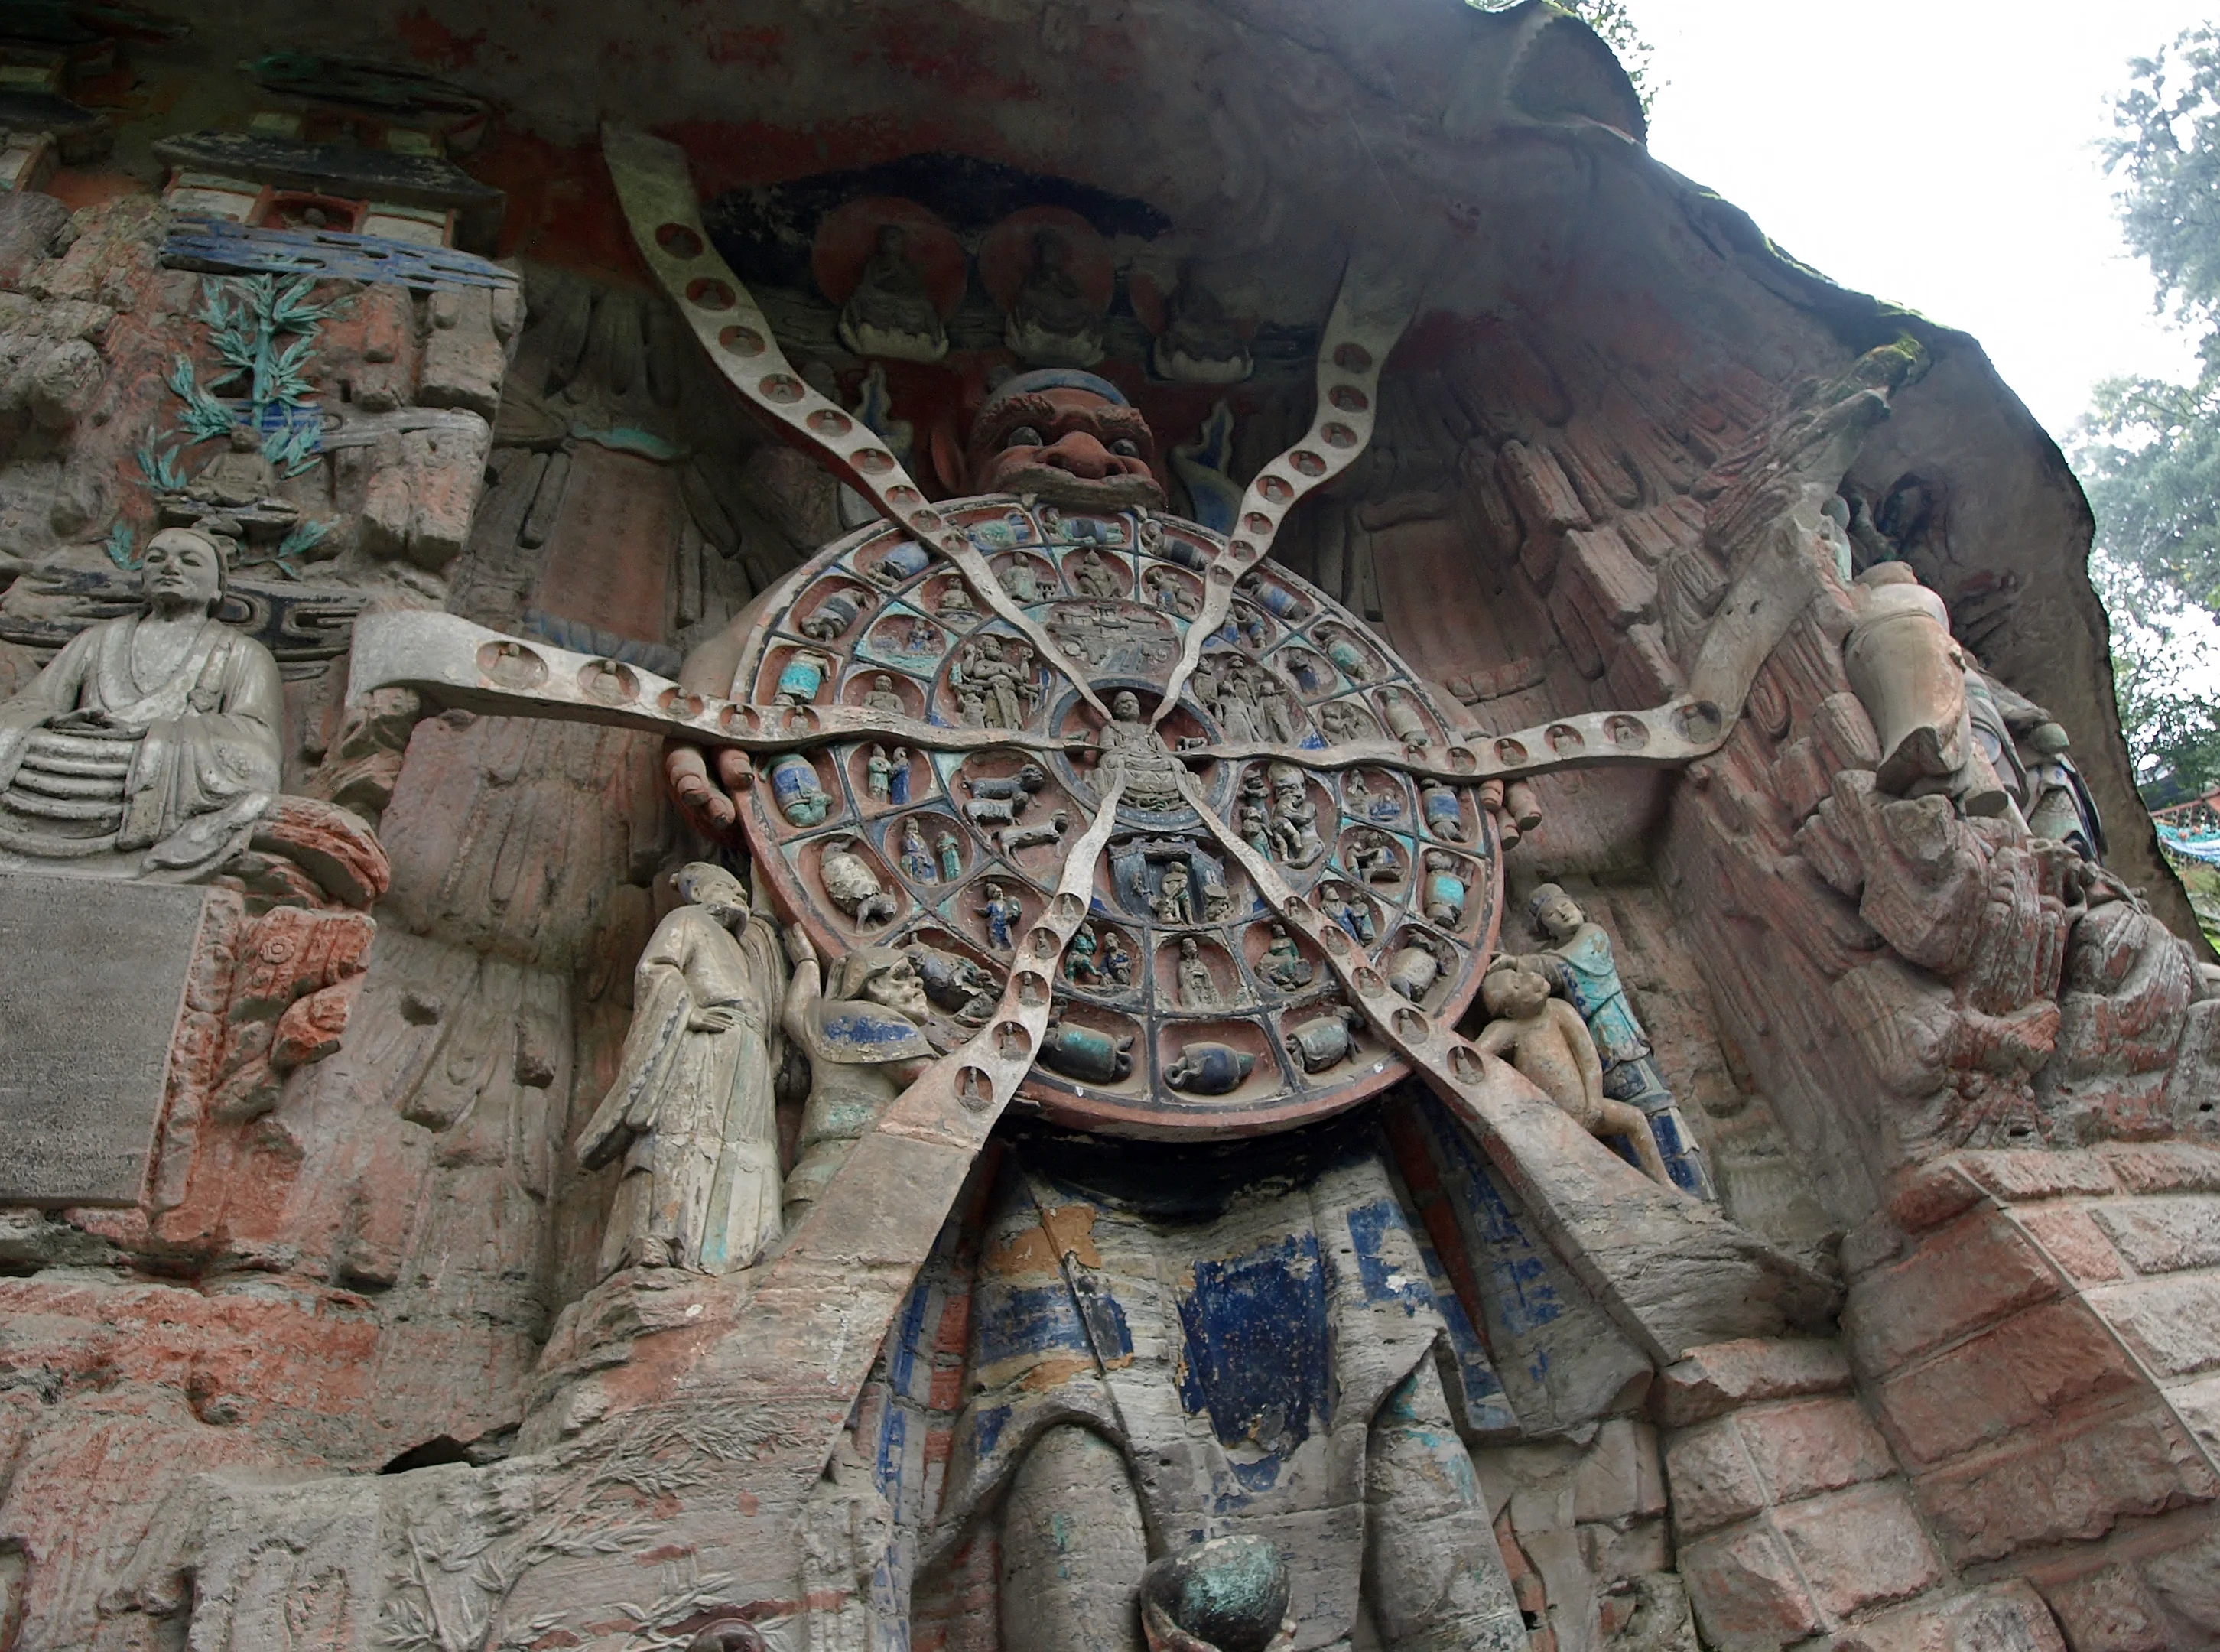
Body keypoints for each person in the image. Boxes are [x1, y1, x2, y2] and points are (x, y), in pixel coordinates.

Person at [0, 526, 283, 880]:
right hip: (78, 752)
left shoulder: (241, 653)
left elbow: (258, 742)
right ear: (143, 579)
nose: (170, 567)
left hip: (156, 764)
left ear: (216, 589)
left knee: (248, 763)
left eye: (189, 561)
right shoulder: (98, 639)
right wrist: (64, 723)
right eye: (156, 559)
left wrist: (153, 735)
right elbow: (30, 704)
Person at [575, 862, 788, 1276]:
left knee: (748, 1142)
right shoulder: (686, 920)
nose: (738, 896)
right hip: (700, 1037)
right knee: (682, 1131)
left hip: (746, 1044)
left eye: (739, 890)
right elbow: (657, 969)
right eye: (728, 888)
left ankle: (744, 1241)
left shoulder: (742, 947)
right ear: (700, 893)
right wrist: (688, 1011)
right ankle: (662, 1236)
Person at [1472, 959, 1671, 1184]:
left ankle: (1666, 1183)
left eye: (1519, 975)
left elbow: (1588, 1058)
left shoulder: (1558, 1010)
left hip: (1587, 1108)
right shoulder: (1507, 1030)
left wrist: (1594, 1103)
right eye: (1516, 985)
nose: (1528, 979)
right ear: (1509, 1011)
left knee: (1635, 1119)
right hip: (1555, 1127)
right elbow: (1475, 1056)